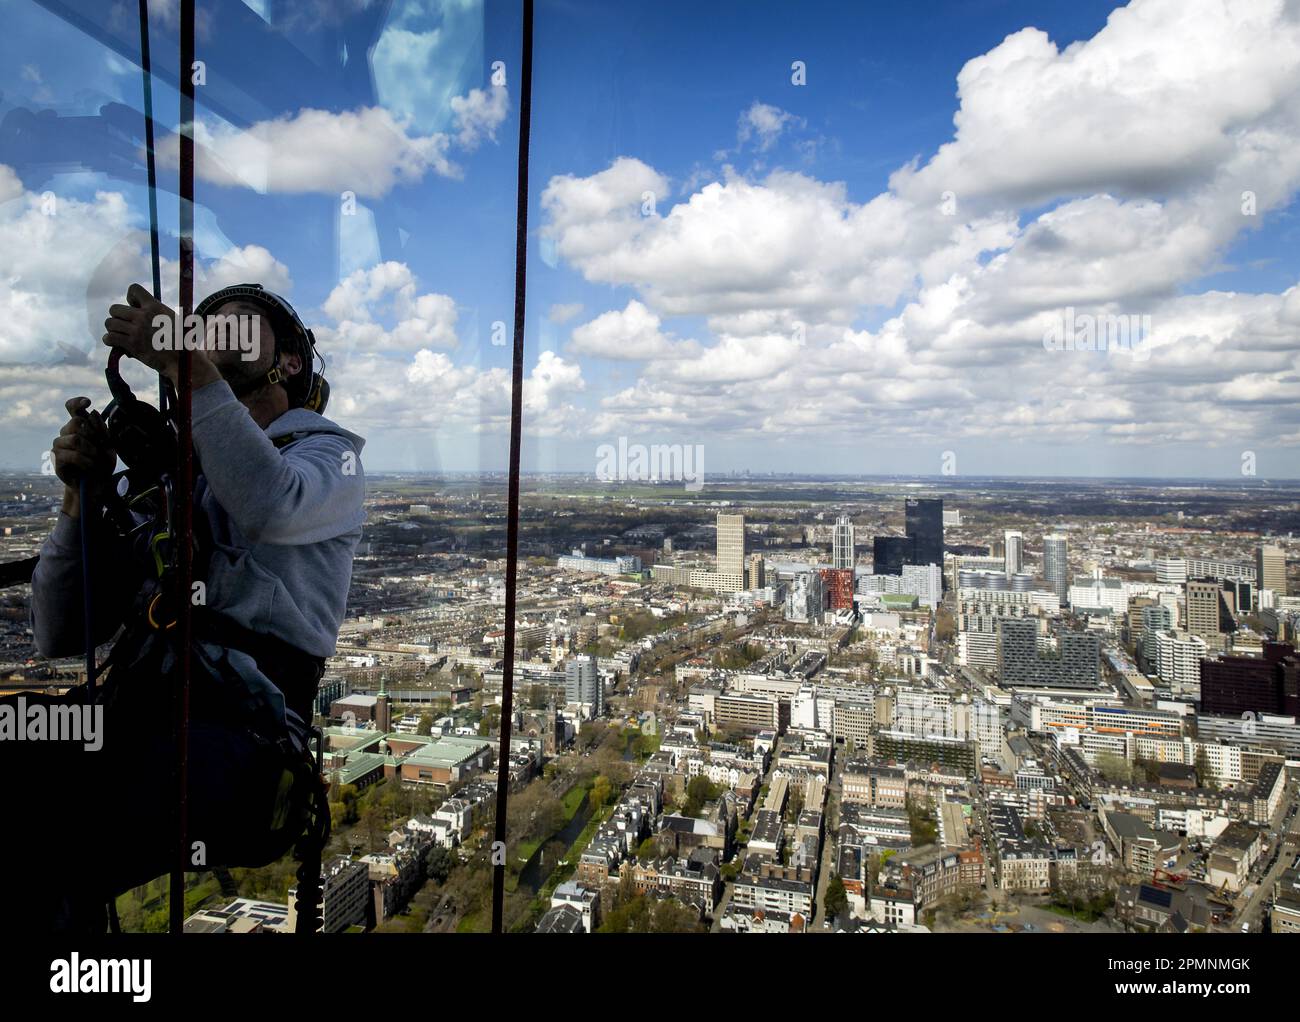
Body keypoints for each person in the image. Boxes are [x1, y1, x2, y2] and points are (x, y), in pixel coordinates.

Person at [0, 282, 365, 931]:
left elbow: (268, 501)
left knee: (34, 828)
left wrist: (183, 366)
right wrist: (81, 500)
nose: (210, 337)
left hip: (237, 747)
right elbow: (59, 629)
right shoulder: (173, 489)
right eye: (203, 329)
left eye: (236, 329)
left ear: (289, 362)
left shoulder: (326, 457)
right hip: (141, 723)